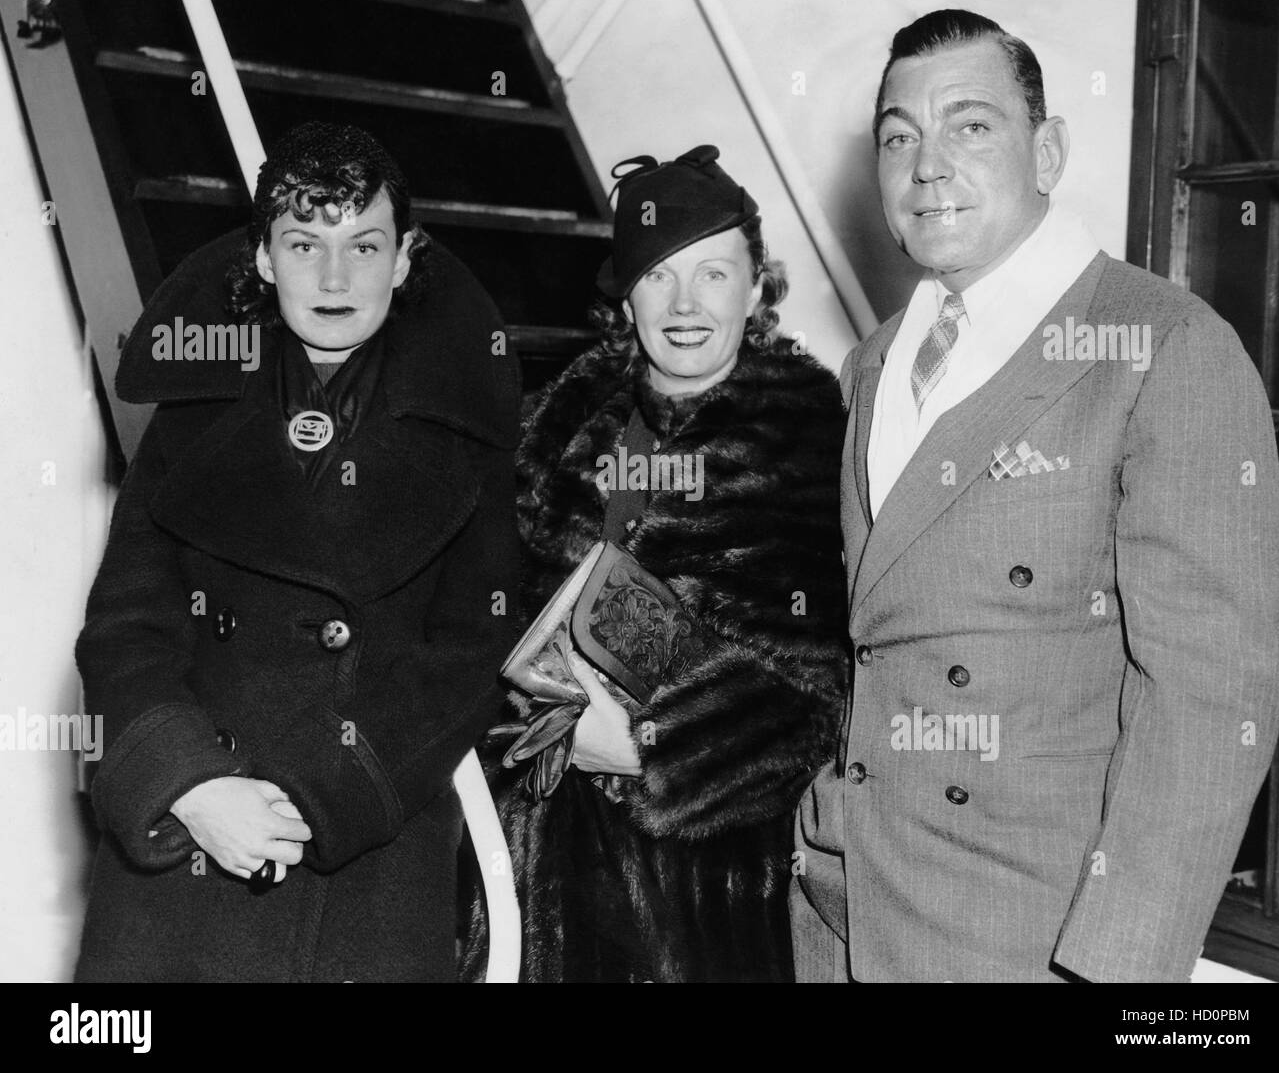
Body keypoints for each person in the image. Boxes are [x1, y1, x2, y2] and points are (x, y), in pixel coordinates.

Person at [792, 9, 1279, 984]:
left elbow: (1207, 697)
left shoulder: (1162, 347)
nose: (926, 164)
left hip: (1026, 942)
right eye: (899, 136)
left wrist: (1119, 970)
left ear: (1047, 151)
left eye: (970, 125)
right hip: (846, 914)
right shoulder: (870, 364)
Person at [74, 122, 519, 982]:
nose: (335, 277)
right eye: (305, 243)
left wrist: (325, 793)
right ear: (265, 260)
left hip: (361, 859)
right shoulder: (190, 416)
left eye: (365, 245)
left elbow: (473, 649)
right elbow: (124, 630)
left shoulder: (469, 433)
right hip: (189, 859)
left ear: (403, 259)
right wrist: (193, 785)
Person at [467, 145, 847, 983]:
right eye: (658, 275)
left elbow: (822, 696)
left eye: (713, 274)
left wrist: (653, 745)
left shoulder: (811, 444)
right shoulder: (556, 430)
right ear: (624, 293)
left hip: (698, 904)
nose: (683, 304)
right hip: (527, 884)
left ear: (755, 288)